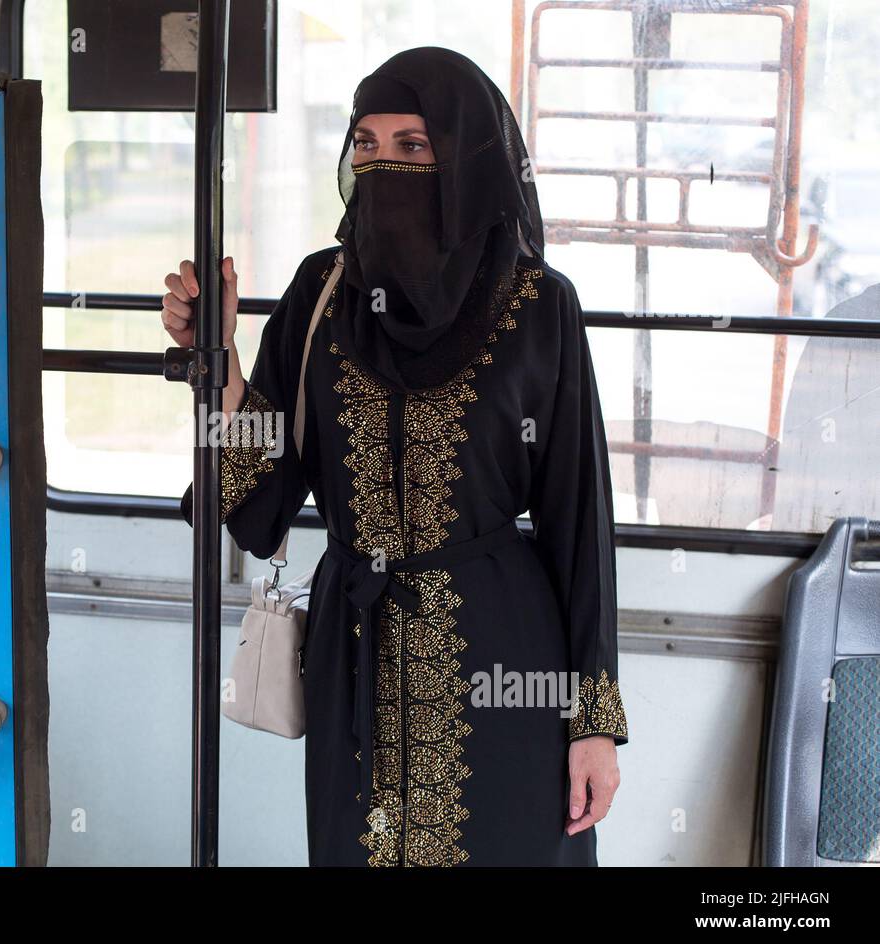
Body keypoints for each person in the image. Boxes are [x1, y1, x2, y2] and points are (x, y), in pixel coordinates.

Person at [161, 46, 627, 866]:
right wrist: (223, 367)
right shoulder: (322, 296)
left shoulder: (538, 307)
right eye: (367, 145)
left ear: (466, 159)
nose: (385, 165)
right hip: (355, 648)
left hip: (506, 663)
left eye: (412, 147)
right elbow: (259, 512)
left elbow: (579, 526)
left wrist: (592, 724)